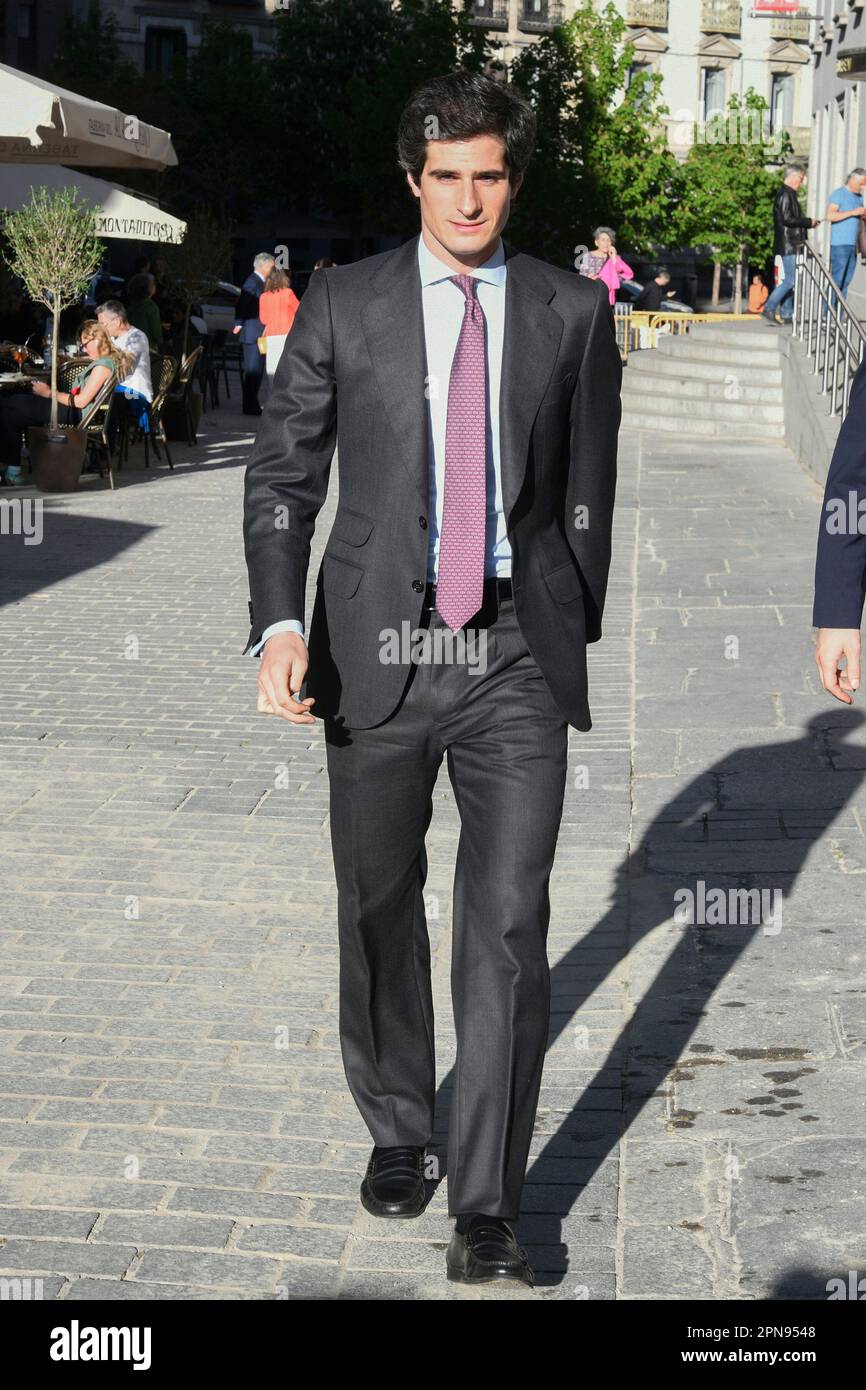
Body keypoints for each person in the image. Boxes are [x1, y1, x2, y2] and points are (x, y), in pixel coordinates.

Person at [243, 69, 621, 1289]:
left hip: (510, 648)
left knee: (507, 923)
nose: (468, 198)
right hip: (375, 645)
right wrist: (277, 627)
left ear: (514, 180)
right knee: (378, 902)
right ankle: (399, 1121)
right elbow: (282, 474)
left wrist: (569, 616)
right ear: (414, 180)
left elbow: (588, 483)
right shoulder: (346, 304)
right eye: (445, 175)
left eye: (490, 174)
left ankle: (488, 1200)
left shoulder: (568, 308)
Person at [0, 320, 132, 485]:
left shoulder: (103, 366)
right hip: (72, 410)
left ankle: (12, 469)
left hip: (76, 413)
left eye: (85, 345)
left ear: (97, 340)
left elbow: (82, 401)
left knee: (10, 405)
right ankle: (12, 469)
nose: (83, 349)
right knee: (9, 406)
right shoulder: (106, 361)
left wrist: (49, 393)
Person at [762, 164, 820, 326]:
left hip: (790, 243)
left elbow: (789, 219)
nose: (801, 183)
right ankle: (769, 307)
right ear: (793, 177)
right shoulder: (786, 194)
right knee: (790, 280)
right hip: (789, 244)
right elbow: (788, 219)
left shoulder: (789, 194)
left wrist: (808, 223)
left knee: (790, 279)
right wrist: (809, 222)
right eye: (801, 179)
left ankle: (787, 314)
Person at [96, 299, 153, 433]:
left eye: (103, 324)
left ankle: (107, 445)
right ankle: (89, 438)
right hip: (117, 390)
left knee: (112, 398)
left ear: (117, 320)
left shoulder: (136, 337)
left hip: (135, 393)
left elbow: (124, 366)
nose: (101, 329)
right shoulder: (113, 339)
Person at [233, 252, 275, 416]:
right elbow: (243, 303)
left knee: (256, 372)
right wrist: (239, 323)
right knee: (253, 372)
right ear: (263, 266)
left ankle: (252, 404)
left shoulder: (259, 282)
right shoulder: (253, 282)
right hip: (253, 334)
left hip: (257, 333)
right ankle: (250, 406)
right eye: (271, 266)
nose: (273, 270)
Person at [826, 167, 866, 308]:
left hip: (854, 245)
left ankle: (839, 314)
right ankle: (826, 313)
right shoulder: (839, 194)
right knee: (837, 280)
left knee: (846, 281)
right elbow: (830, 216)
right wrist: (853, 212)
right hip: (840, 245)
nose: (863, 187)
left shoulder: (859, 198)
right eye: (861, 183)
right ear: (852, 179)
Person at [258, 266, 300, 395]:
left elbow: (263, 320)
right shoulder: (288, 293)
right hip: (288, 335)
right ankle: (287, 397)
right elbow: (299, 311)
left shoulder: (264, 296)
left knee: (272, 370)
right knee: (288, 368)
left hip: (271, 336)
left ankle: (274, 398)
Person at [578, 226, 633, 306]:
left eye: (608, 240)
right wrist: (591, 278)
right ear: (596, 242)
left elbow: (627, 274)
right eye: (603, 240)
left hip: (608, 299)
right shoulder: (588, 256)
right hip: (591, 295)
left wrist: (614, 258)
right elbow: (582, 276)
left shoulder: (615, 258)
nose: (606, 243)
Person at [125, 272, 163, 349]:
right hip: (148, 348)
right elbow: (156, 333)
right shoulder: (151, 307)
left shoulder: (131, 306)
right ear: (149, 288)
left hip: (131, 346)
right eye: (153, 284)